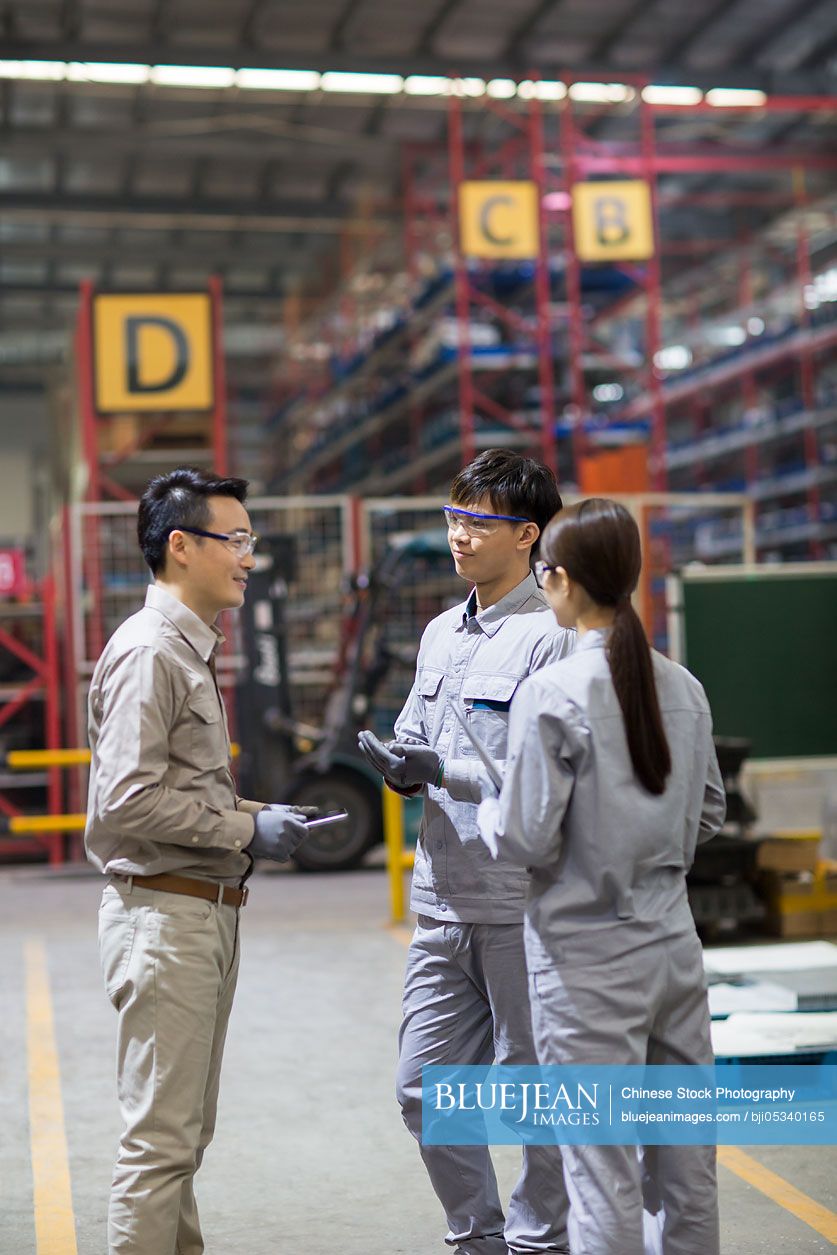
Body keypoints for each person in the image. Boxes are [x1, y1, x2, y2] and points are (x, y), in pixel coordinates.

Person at [476, 498, 726, 1255]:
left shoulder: (552, 693)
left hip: (585, 963)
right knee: (687, 1164)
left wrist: (484, 803)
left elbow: (522, 835)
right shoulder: (681, 686)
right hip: (673, 950)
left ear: (557, 579)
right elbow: (708, 811)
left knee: (600, 1168)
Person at [85, 466, 315, 1255]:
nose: (249, 556)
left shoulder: (187, 647)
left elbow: (174, 788)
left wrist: (256, 816)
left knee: (182, 1136)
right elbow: (124, 802)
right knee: (159, 1143)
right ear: (181, 547)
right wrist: (247, 834)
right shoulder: (153, 653)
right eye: (238, 540)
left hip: (198, 911)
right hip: (164, 914)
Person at [358, 448, 575, 1255]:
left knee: (534, 1091)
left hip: (521, 905)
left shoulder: (553, 638)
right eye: (452, 517)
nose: (457, 535)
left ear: (526, 535)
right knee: (422, 1089)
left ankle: (538, 1239)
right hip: (440, 901)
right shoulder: (441, 632)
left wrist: (441, 767)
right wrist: (400, 763)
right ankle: (475, 1235)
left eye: (476, 522)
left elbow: (551, 776)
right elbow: (418, 732)